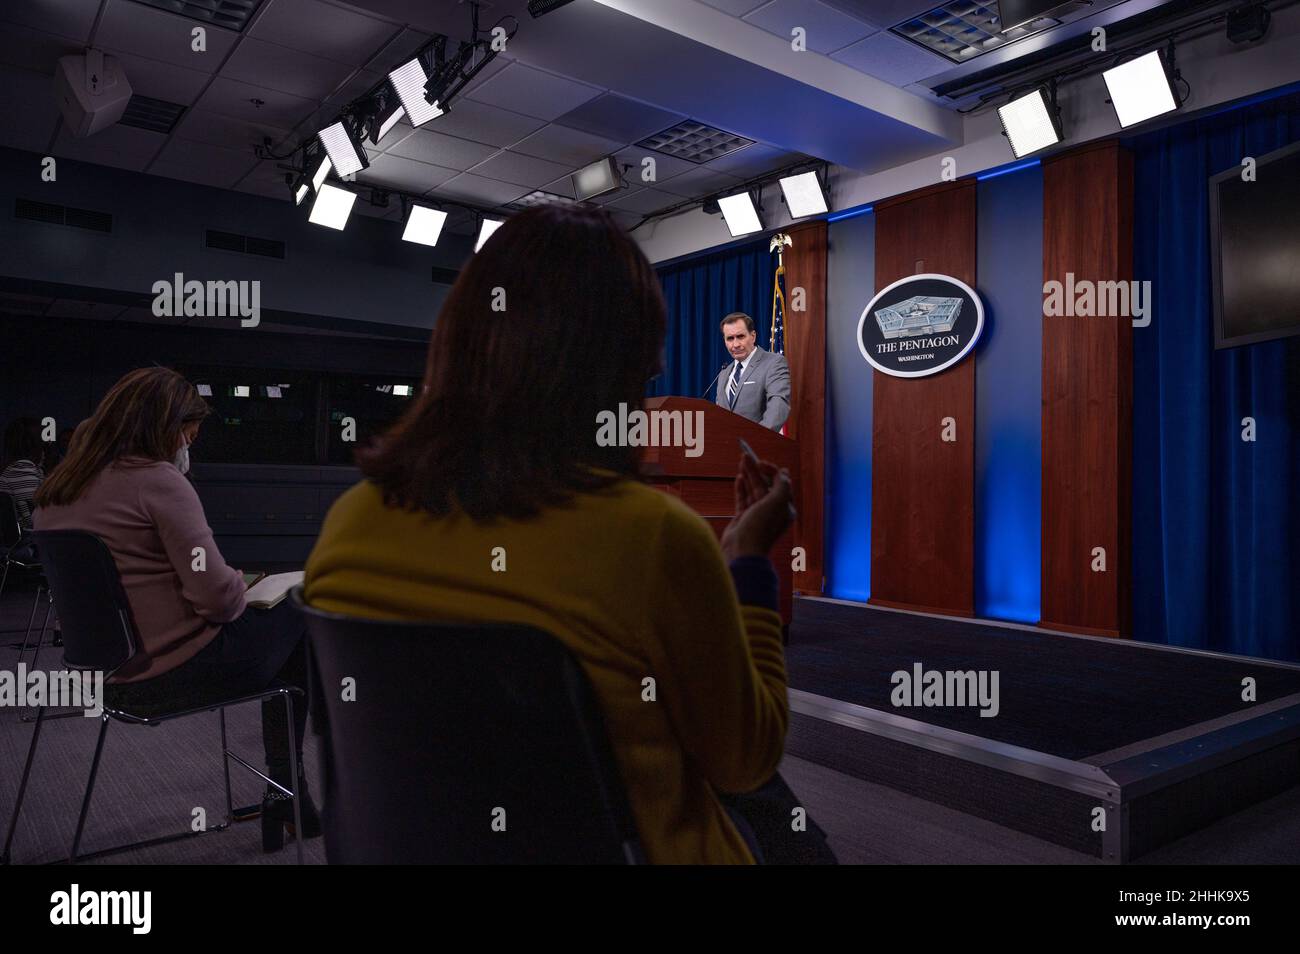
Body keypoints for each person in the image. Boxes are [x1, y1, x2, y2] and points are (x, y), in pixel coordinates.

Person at [304, 205, 834, 864]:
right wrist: (749, 564)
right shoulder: (653, 538)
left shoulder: (351, 521)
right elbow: (744, 759)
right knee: (788, 822)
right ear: (620, 367)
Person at [32, 367, 318, 852]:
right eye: (189, 433)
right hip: (173, 676)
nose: (190, 445)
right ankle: (288, 791)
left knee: (284, 641)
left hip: (104, 679)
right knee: (302, 610)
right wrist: (233, 584)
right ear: (164, 427)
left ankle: (288, 794)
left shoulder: (56, 490)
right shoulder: (158, 481)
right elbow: (219, 601)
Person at [713, 312, 791, 430]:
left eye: (740, 336)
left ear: (753, 336)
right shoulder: (724, 374)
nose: (735, 344)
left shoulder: (773, 363)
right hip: (727, 446)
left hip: (758, 446)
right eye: (730, 338)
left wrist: (756, 441)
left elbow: (779, 406)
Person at [0, 417, 47, 532]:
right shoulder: (22, 469)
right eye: (41, 437)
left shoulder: (23, 468)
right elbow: (34, 519)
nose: (46, 442)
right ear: (31, 443)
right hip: (28, 543)